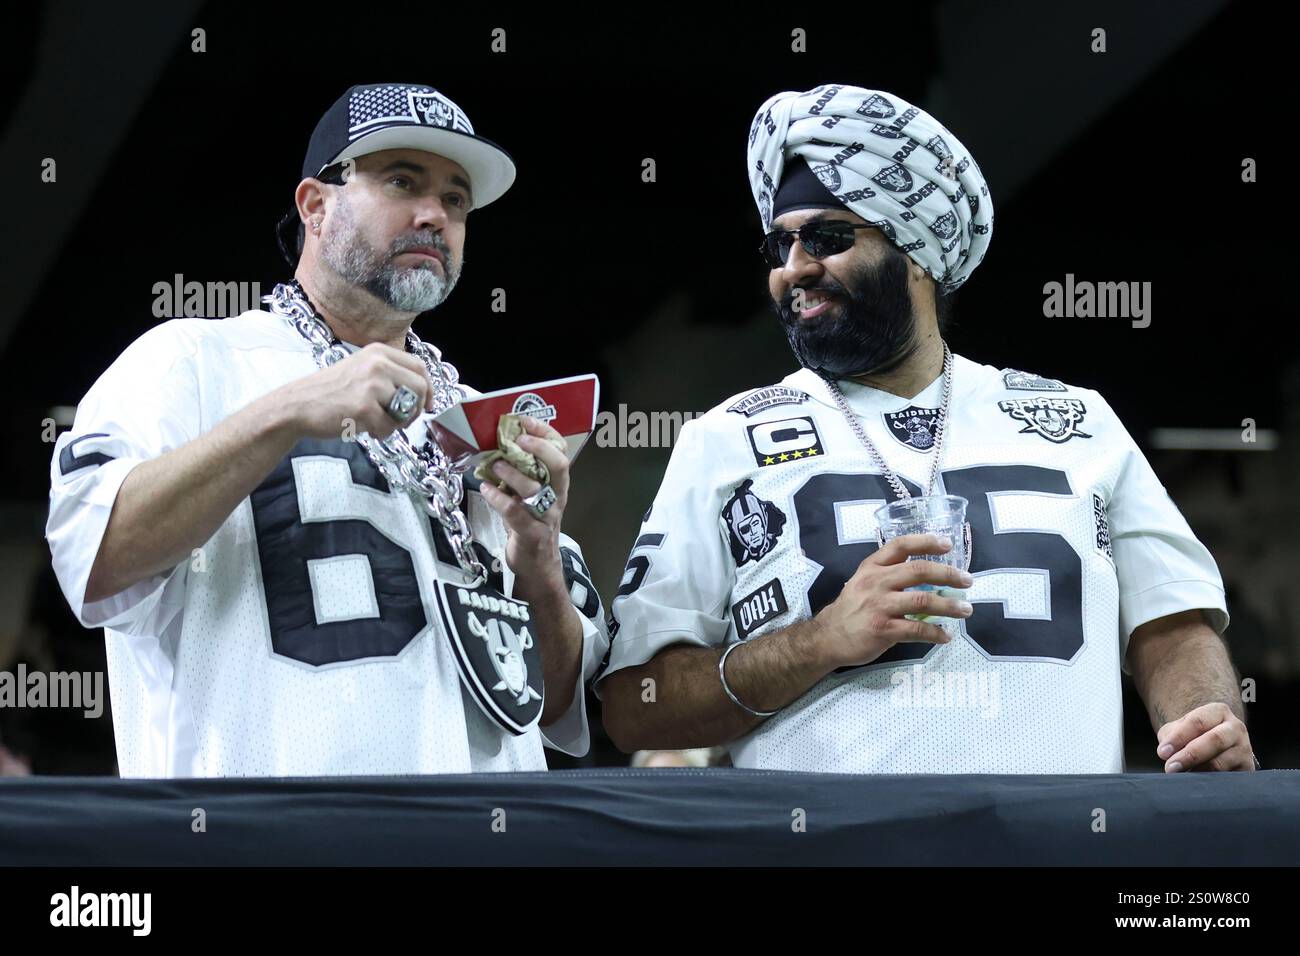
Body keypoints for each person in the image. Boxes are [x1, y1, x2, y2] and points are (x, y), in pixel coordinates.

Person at [597, 84, 1254, 774]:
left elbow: (1172, 622)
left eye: (826, 237)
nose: (794, 269)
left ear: (917, 253)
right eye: (778, 245)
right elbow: (634, 705)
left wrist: (1203, 724)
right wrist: (820, 641)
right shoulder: (725, 438)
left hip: (1057, 846)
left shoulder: (1077, 420)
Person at [46, 83, 608, 776]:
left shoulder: (488, 421)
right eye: (403, 180)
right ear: (315, 206)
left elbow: (555, 706)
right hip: (259, 839)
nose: (434, 215)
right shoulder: (190, 360)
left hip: (478, 837)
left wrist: (538, 553)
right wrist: (287, 410)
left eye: (456, 199)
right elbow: (92, 563)